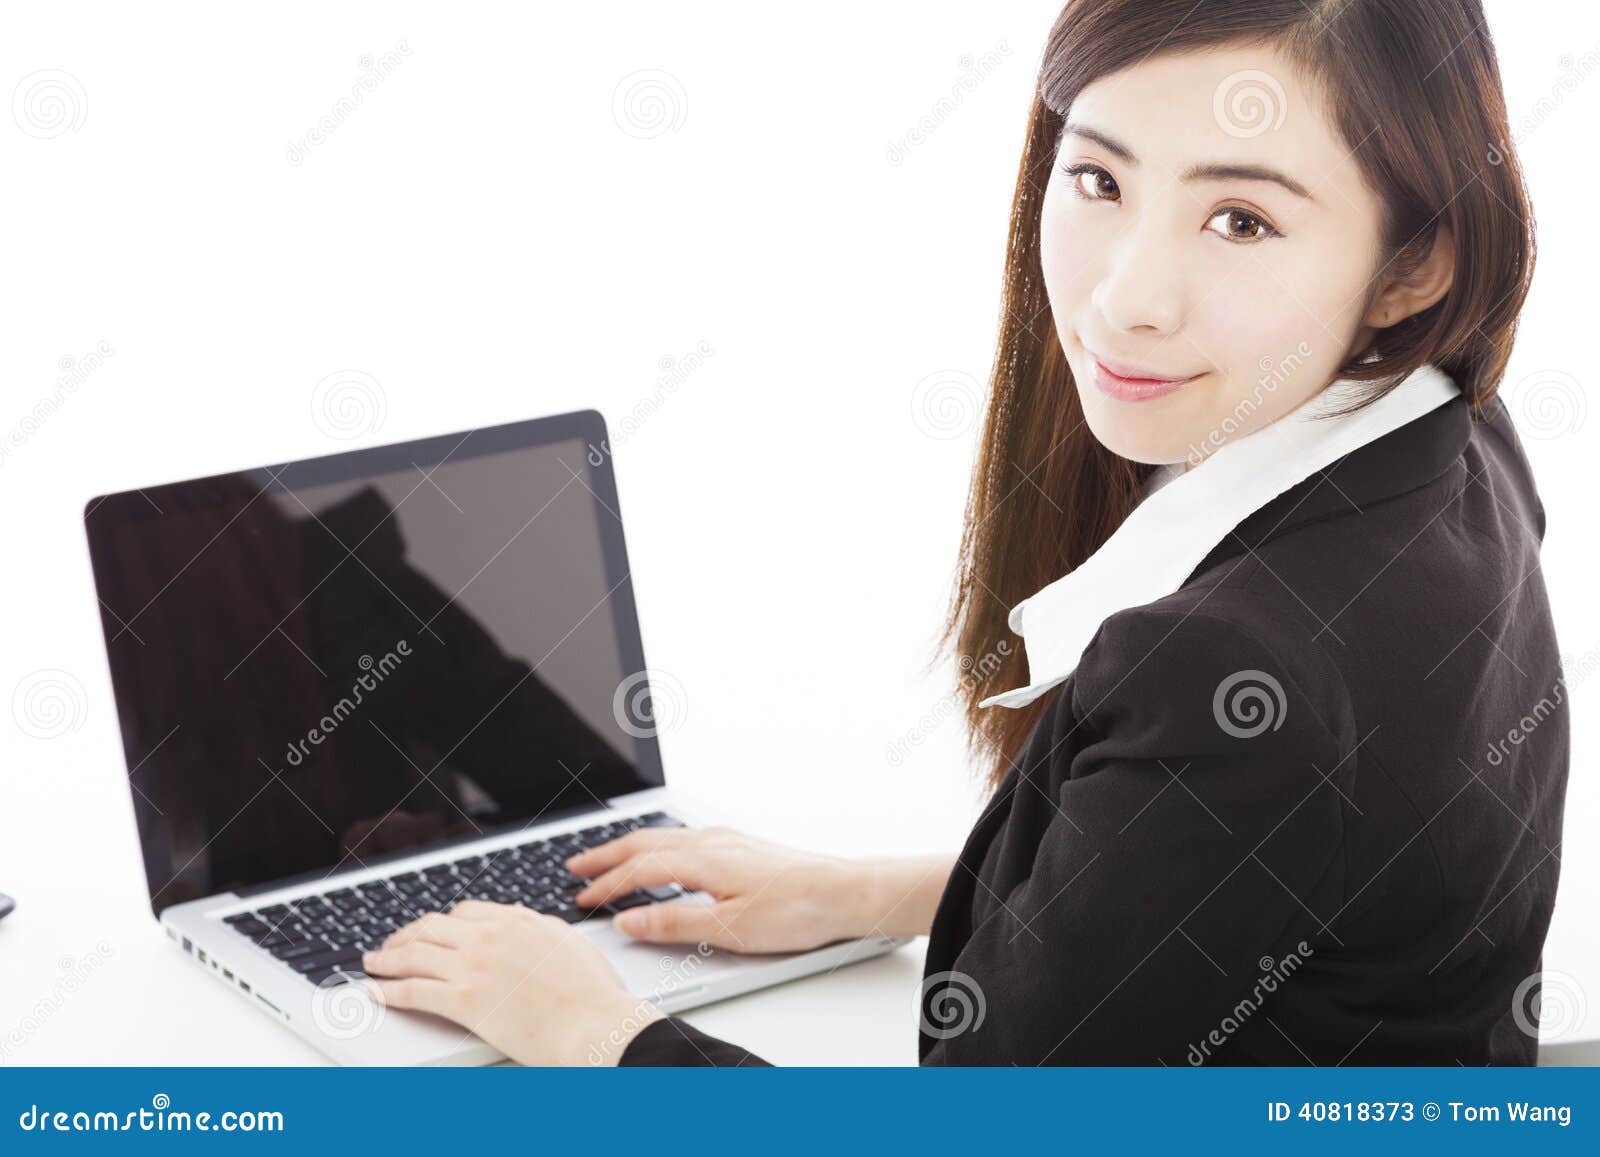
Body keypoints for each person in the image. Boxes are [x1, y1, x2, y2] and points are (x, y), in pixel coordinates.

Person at [360, 0, 1569, 1066]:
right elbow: (1256, 891)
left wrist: (586, 1025)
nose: (1124, 298)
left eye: (1241, 220)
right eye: (1099, 181)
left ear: (1413, 265)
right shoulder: (1444, 441)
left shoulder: (1232, 676)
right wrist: (867, 892)